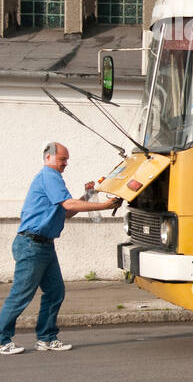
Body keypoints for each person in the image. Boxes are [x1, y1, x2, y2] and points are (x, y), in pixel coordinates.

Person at [0, 143, 122, 354]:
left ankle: (46, 338)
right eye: (62, 160)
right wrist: (104, 206)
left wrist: (86, 197)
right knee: (21, 295)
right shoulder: (49, 176)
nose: (65, 164)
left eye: (66, 160)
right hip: (32, 245)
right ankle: (2, 339)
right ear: (48, 158)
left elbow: (65, 213)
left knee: (55, 292)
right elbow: (68, 205)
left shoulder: (54, 179)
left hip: (44, 245)